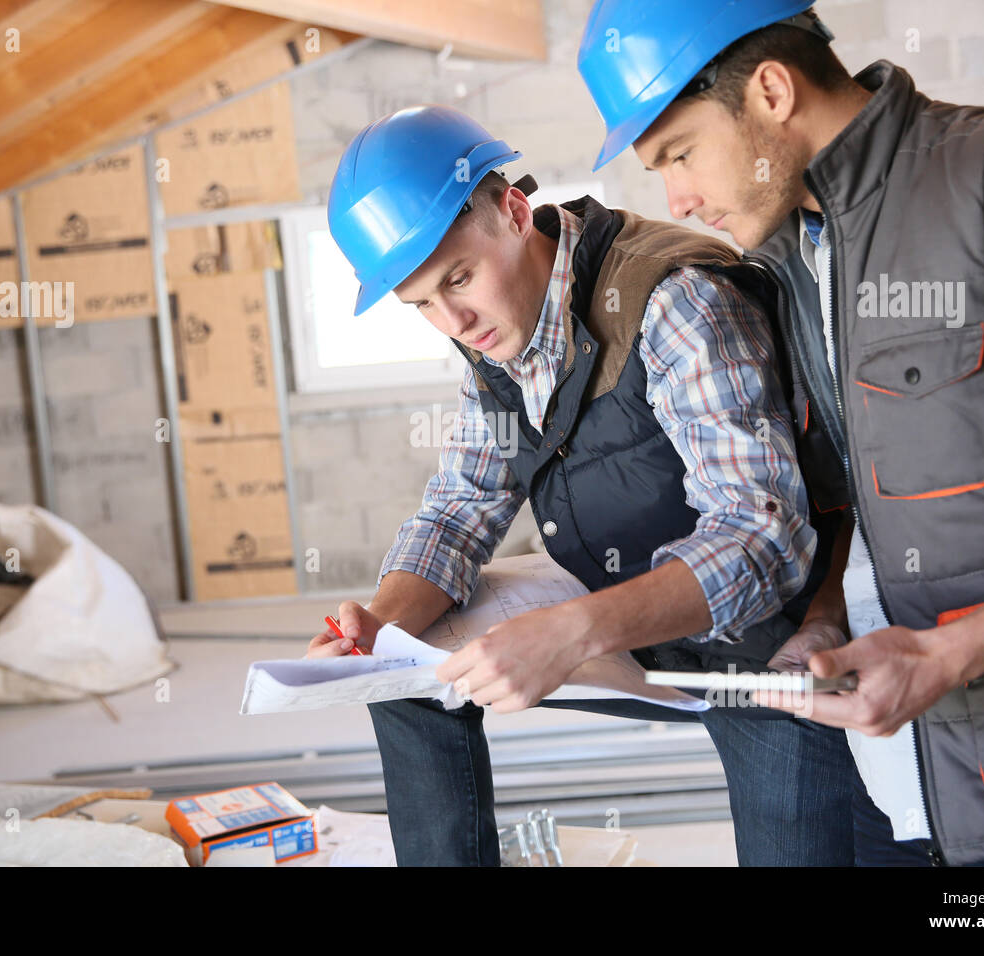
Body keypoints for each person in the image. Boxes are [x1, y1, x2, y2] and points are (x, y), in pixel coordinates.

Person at [577, 0, 984, 865]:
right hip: (933, 800)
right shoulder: (800, 261)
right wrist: (826, 621)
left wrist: (955, 650)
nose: (676, 200)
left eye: (679, 154)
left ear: (773, 91)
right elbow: (872, 501)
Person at [308, 103, 865, 865]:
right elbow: (457, 512)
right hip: (628, 610)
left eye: (459, 279)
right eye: (422, 305)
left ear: (511, 211)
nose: (454, 321)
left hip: (766, 638)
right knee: (402, 659)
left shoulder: (675, 299)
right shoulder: (495, 339)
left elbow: (760, 540)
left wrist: (569, 634)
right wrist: (378, 623)